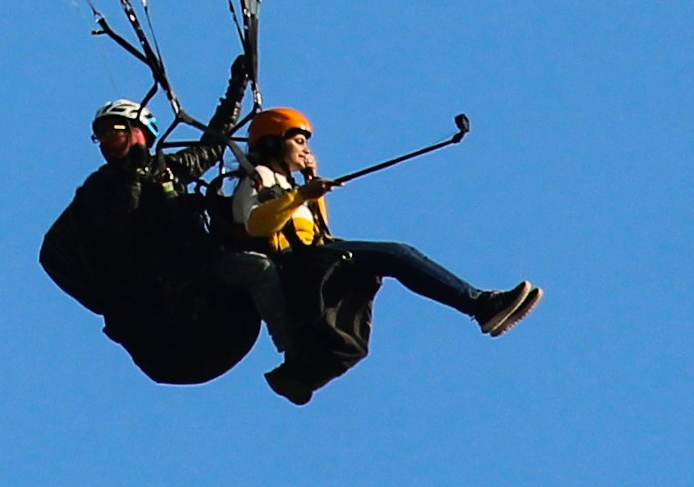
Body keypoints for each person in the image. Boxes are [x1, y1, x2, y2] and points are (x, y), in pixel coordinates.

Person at [223, 102, 545, 403]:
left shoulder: (290, 185)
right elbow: (255, 225)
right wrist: (301, 194)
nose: (306, 148)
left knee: (383, 268)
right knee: (396, 254)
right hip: (296, 266)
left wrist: (308, 185)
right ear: (272, 144)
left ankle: (304, 372)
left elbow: (315, 226)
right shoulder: (258, 179)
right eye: (298, 141)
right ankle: (482, 305)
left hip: (314, 262)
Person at [38, 94, 266, 386]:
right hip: (162, 329)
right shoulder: (98, 188)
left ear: (140, 131)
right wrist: (132, 178)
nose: (107, 139)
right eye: (102, 135)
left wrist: (238, 86)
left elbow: (212, 146)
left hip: (210, 314)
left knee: (261, 259)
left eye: (114, 130)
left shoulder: (165, 168)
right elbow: (121, 226)